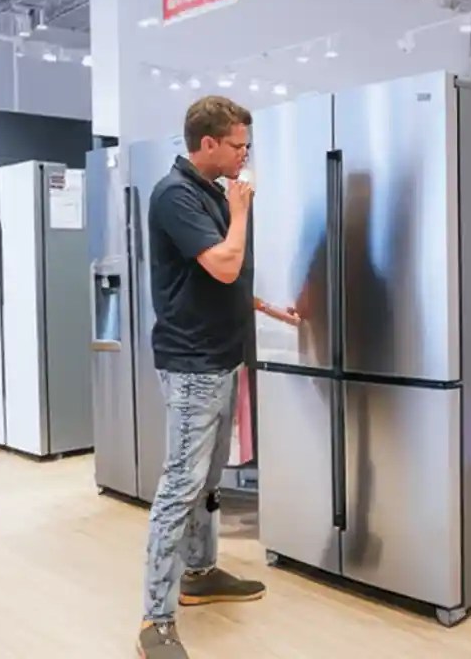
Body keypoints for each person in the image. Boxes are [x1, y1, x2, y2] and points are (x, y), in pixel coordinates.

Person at [139, 96, 298, 659]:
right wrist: (242, 210)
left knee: (208, 482)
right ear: (207, 144)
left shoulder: (208, 192)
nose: (244, 154)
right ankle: (154, 620)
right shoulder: (176, 195)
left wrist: (266, 307)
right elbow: (224, 261)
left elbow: (215, 279)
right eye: (237, 144)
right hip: (192, 366)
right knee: (179, 489)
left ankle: (200, 574)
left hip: (222, 356)